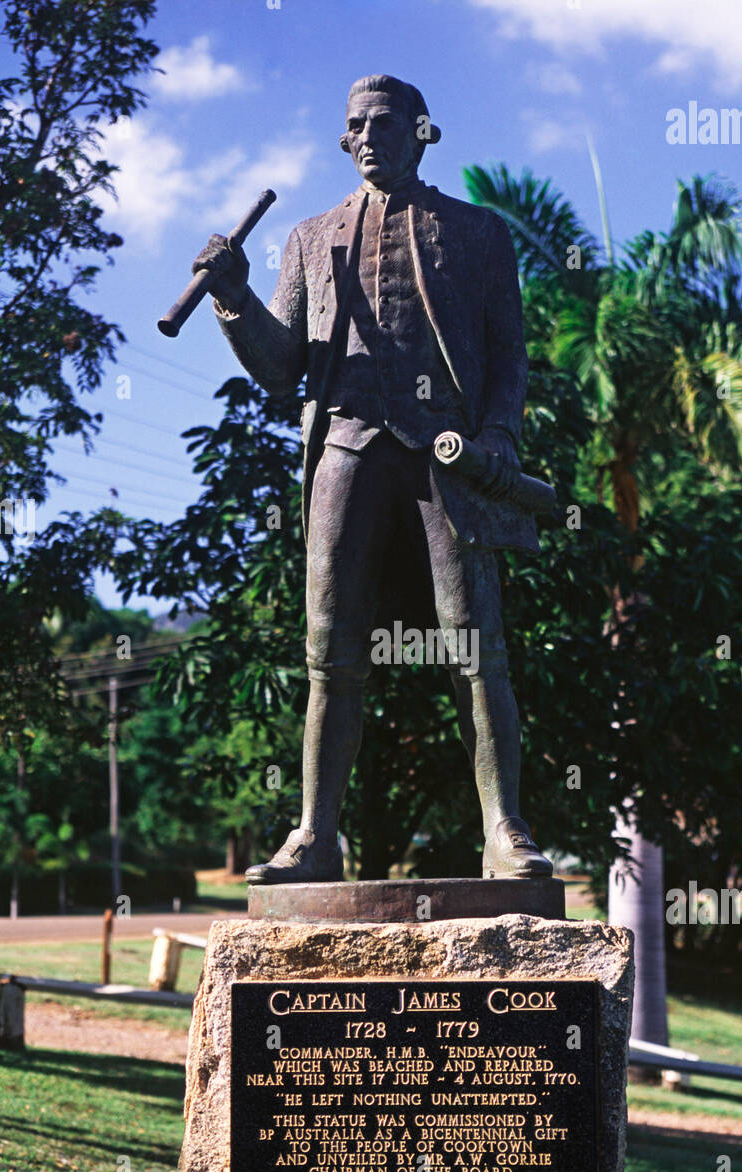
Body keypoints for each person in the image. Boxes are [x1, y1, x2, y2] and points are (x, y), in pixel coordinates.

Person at [194, 74, 552, 883]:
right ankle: (315, 837)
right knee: (331, 649)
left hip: (446, 455)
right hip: (346, 452)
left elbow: (507, 354)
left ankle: (504, 830)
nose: (367, 136)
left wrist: (497, 433)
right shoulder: (308, 237)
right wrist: (233, 298)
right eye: (354, 124)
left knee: (475, 645)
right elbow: (282, 369)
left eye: (384, 122)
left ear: (422, 130)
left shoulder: (477, 233)